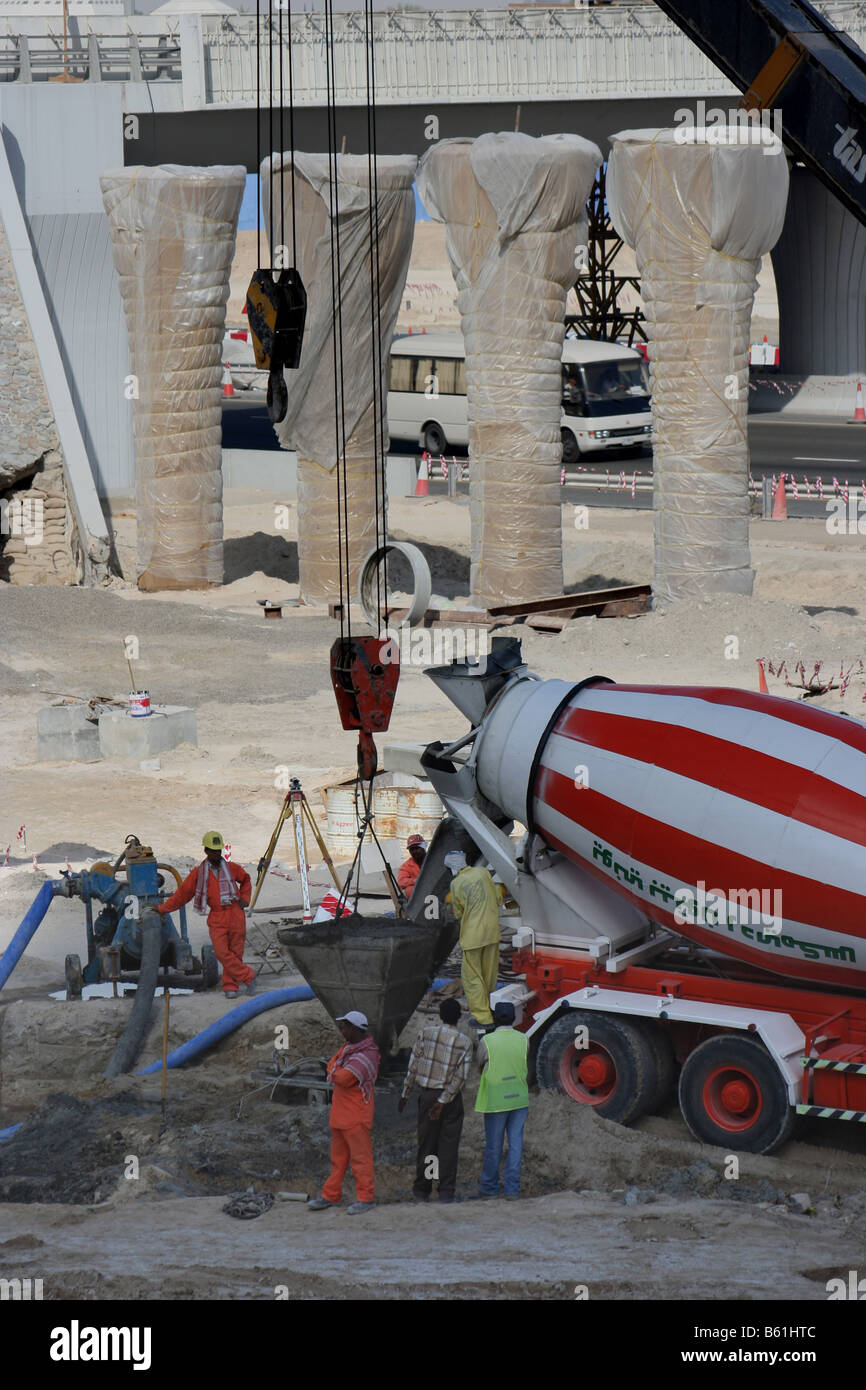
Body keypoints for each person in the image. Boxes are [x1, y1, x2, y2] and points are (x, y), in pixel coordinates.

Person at [156, 831, 254, 1000]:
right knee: (222, 952)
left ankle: (231, 986)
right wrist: (162, 909)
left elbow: (246, 880)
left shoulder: (232, 868)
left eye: (219, 850)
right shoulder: (198, 874)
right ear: (206, 851)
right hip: (217, 916)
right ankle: (249, 976)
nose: (217, 853)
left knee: (235, 953)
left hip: (236, 913)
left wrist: (245, 899)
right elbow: (182, 895)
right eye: (213, 850)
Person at [398, 997, 472, 1203]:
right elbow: (461, 1077)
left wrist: (405, 1093)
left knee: (428, 1145)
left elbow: (413, 1066)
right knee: (448, 1147)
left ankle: (424, 1189)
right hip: (451, 1100)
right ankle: (446, 1191)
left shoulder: (425, 1034)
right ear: (458, 1017)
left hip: (427, 1095)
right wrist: (444, 1099)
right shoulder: (464, 1042)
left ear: (440, 1016)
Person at [308, 1011, 381, 1216]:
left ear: (357, 1029)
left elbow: (343, 1077)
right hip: (341, 1115)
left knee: (360, 1159)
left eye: (346, 1026)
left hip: (356, 1117)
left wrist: (332, 1069)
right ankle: (330, 1195)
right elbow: (334, 1068)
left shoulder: (368, 1054)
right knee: (338, 1160)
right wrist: (333, 1069)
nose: (343, 1030)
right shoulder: (349, 1049)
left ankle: (365, 1198)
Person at [475, 1001, 529, 1201]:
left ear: (495, 1019)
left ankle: (489, 1188)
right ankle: (512, 1190)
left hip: (496, 1098)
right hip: (519, 1097)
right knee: (515, 1144)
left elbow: (480, 1064)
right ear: (514, 1019)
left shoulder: (487, 1041)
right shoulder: (524, 1039)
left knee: (494, 1145)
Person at [444, 850, 501, 1028]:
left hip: (473, 936)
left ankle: (483, 1018)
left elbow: (459, 913)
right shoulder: (483, 872)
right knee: (489, 974)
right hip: (492, 932)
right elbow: (497, 898)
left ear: (452, 868)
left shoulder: (456, 884)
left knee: (472, 978)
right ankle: (490, 1008)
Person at [397, 834, 427, 898]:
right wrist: (418, 881)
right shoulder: (406, 866)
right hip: (420, 895)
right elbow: (401, 882)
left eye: (417, 848)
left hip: (435, 889)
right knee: (409, 890)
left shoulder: (433, 859)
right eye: (412, 849)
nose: (414, 851)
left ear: (423, 847)